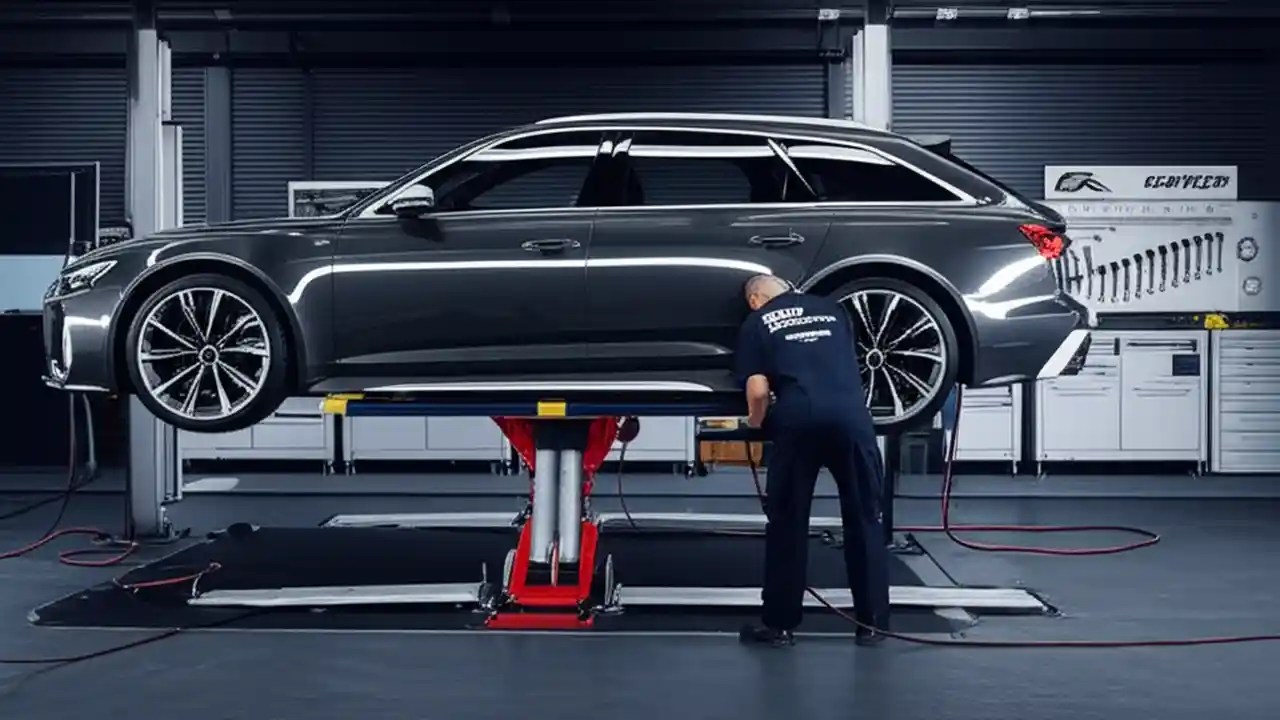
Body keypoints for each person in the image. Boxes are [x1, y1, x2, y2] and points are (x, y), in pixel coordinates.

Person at [734, 274, 890, 648]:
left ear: (755, 299)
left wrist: (754, 423)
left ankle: (780, 627)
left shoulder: (757, 321)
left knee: (787, 523)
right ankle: (871, 626)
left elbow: (758, 390)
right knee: (865, 519)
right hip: (852, 419)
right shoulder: (834, 310)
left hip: (798, 420)